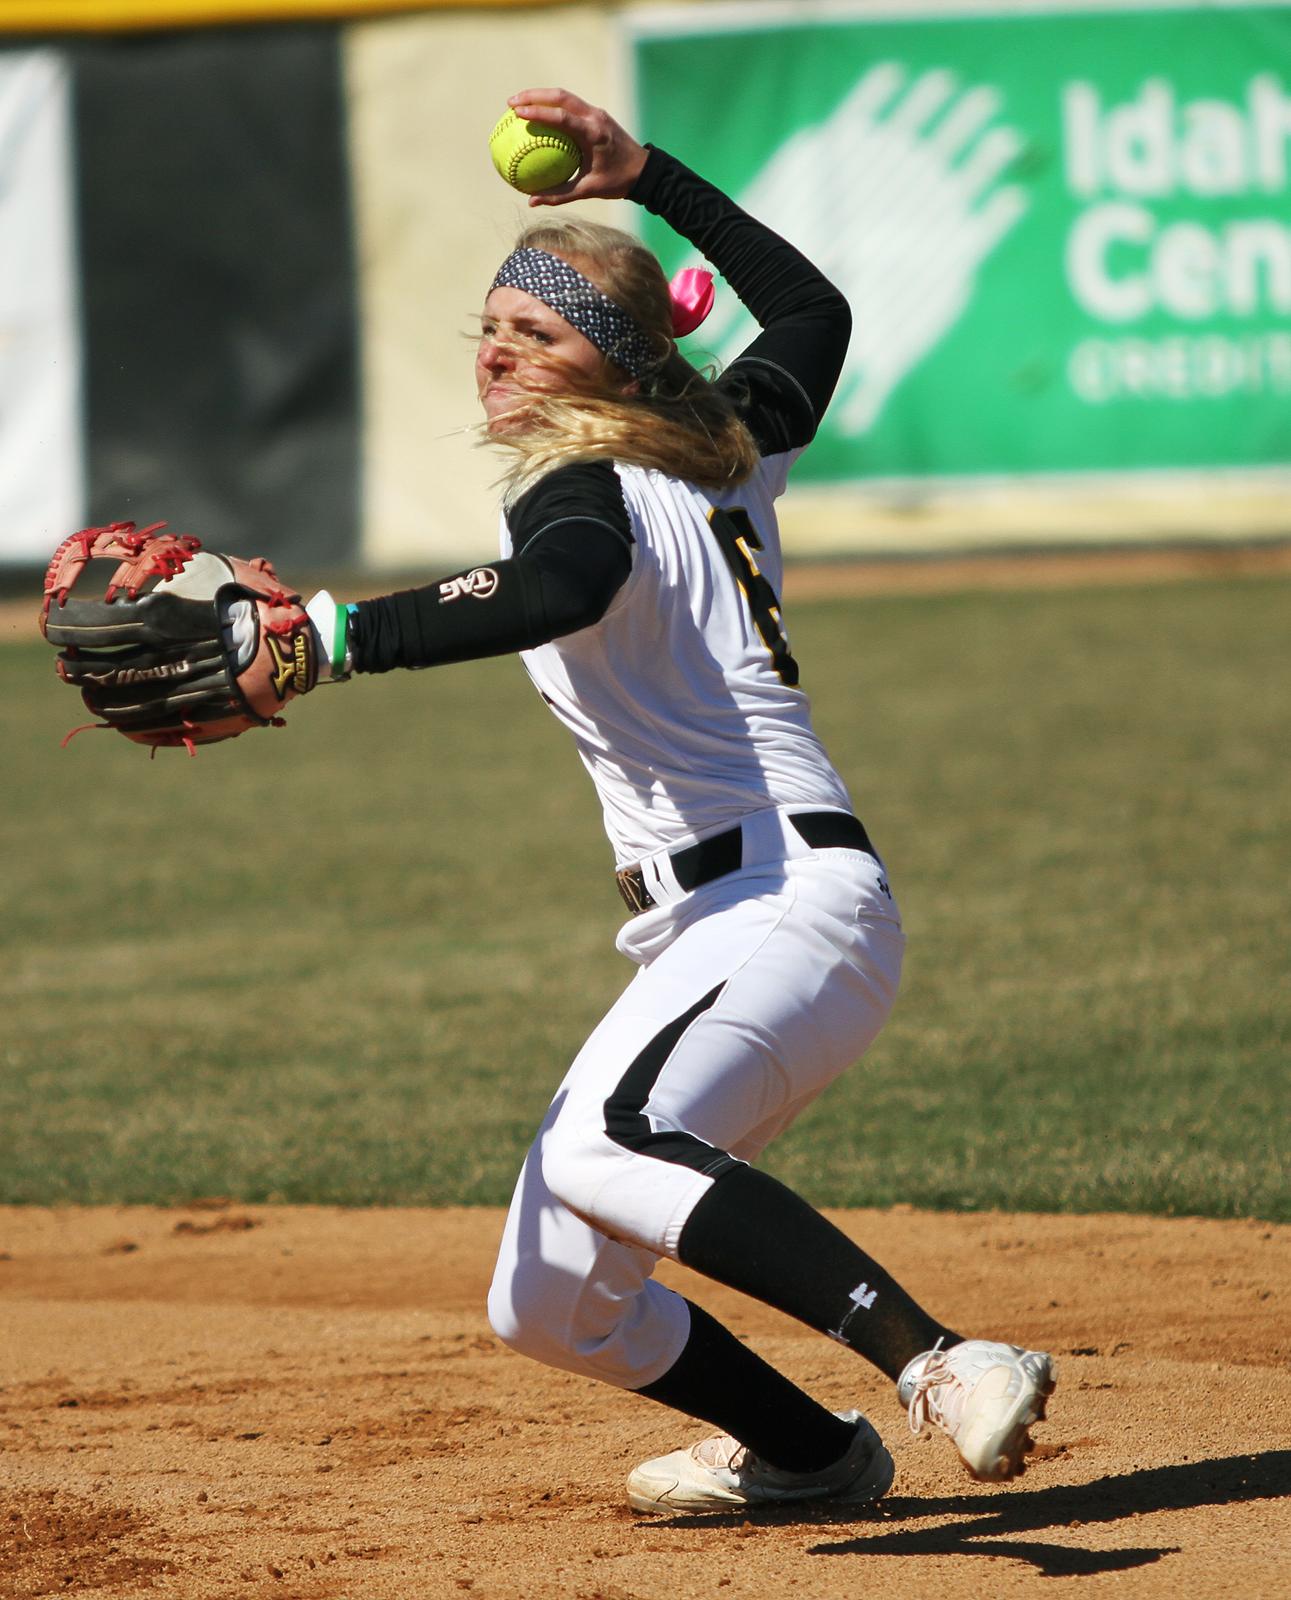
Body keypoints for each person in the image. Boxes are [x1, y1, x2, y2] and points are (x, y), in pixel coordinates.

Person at [305, 87, 1055, 1513]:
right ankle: (809, 1455)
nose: (502, 353)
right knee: (550, 1299)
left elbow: (562, 587)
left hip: (779, 901)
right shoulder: (721, 438)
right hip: (740, 919)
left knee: (606, 1142)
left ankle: (939, 1361)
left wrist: (334, 637)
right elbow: (814, 310)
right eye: (494, 329)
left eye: (540, 328)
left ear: (623, 357)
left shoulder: (581, 472)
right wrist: (647, 175)